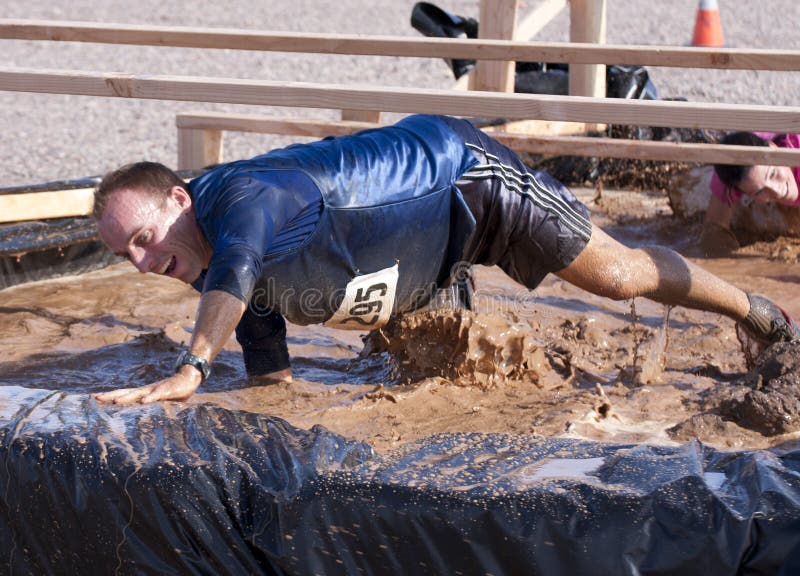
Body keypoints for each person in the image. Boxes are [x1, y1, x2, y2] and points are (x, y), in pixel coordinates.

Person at [91, 115, 799, 405]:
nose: (142, 264)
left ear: (180, 199)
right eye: (127, 255)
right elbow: (265, 351)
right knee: (438, 377)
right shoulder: (195, 257)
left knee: (618, 277)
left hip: (465, 179)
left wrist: (191, 370)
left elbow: (241, 266)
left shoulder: (240, 202)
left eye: (144, 239)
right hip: (410, 248)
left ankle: (760, 314)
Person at [701, 131, 800, 253]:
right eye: (759, 192)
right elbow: (713, 233)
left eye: (772, 174)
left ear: (774, 148)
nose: (777, 191)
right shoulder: (730, 176)